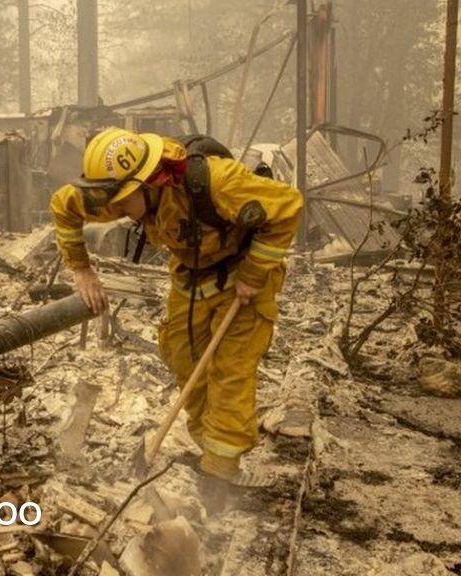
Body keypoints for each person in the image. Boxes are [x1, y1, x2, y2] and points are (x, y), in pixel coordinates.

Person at [50, 127, 304, 486]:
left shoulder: (220, 182)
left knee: (230, 369)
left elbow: (289, 206)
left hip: (243, 278)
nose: (116, 209)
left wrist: (254, 271)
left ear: (152, 181)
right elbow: (64, 205)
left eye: (122, 199)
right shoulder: (117, 191)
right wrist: (82, 270)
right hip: (190, 275)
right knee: (185, 360)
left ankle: (221, 471)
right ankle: (207, 442)